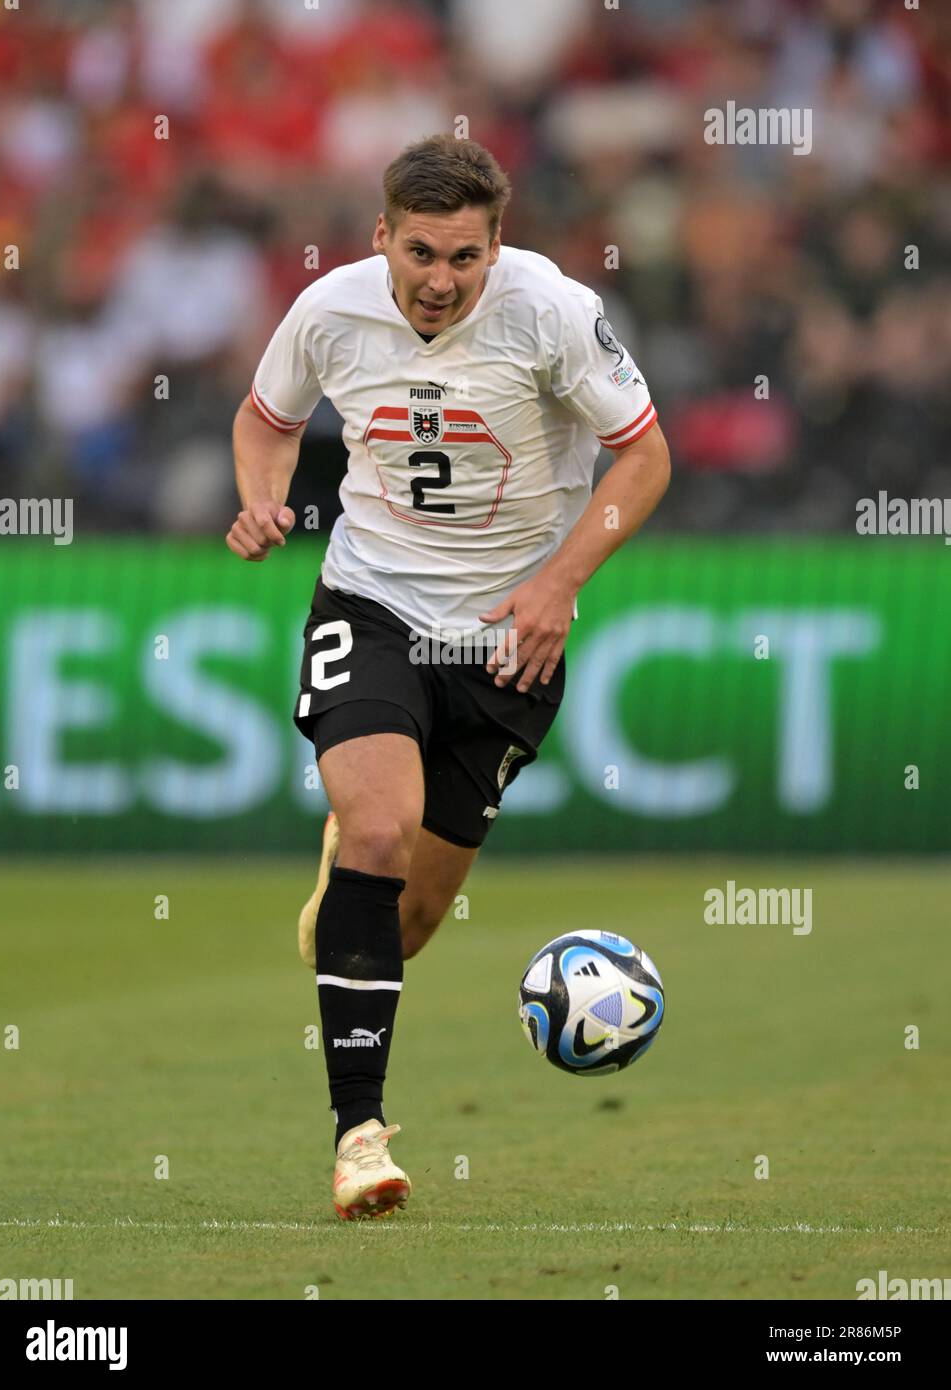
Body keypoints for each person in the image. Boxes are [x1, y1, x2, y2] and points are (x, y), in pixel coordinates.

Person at [226, 134, 670, 1220]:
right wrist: (263, 494)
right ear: (380, 236)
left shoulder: (552, 313)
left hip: (511, 641)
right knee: (379, 830)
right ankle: (360, 1137)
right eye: (421, 252)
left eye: (464, 258)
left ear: (496, 246)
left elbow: (646, 455)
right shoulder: (329, 310)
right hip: (371, 605)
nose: (440, 280)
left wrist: (561, 581)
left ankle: (353, 878)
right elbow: (265, 419)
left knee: (408, 918)